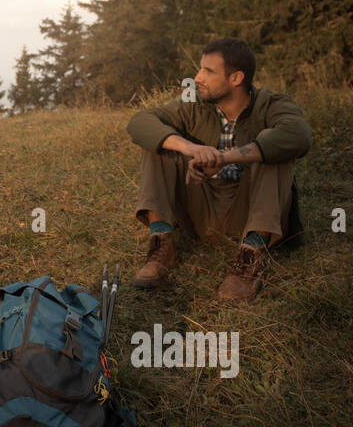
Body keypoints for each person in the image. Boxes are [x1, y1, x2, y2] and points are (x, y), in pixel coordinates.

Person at [126, 38, 311, 301]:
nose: (197, 77)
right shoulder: (193, 104)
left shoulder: (271, 104)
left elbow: (299, 135)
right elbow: (140, 122)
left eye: (208, 71)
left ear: (236, 78)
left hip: (250, 212)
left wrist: (224, 158)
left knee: (274, 149)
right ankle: (161, 243)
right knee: (160, 142)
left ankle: (251, 255)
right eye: (200, 69)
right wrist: (189, 148)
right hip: (201, 208)